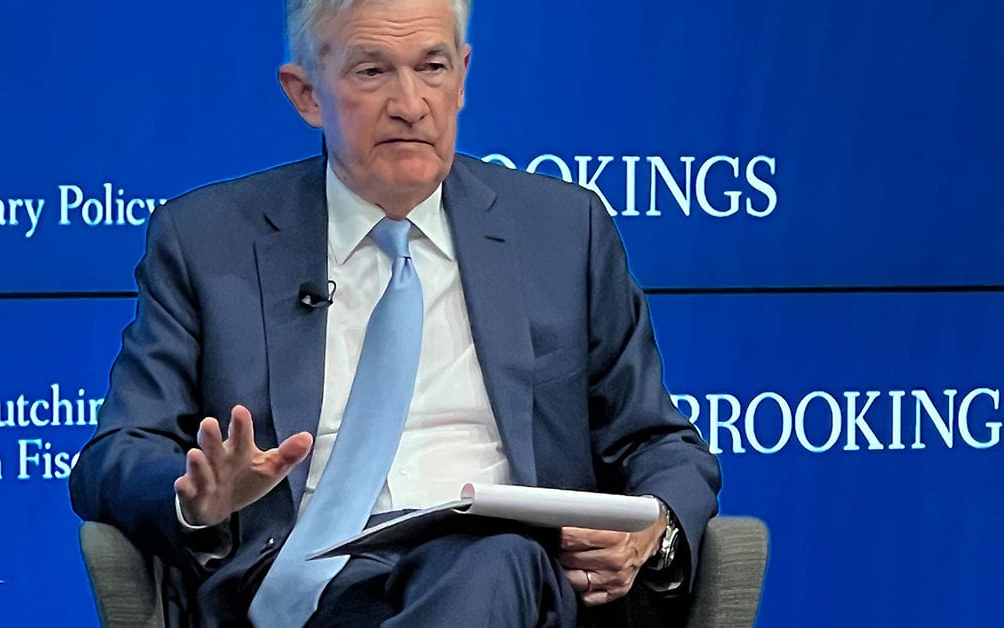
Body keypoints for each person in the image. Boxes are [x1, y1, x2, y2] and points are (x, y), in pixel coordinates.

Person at [69, 0, 720, 626]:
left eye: (432, 68)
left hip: (517, 580)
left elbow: (657, 440)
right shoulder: (208, 241)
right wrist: (197, 494)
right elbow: (116, 453)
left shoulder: (562, 231)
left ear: (462, 77)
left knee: (494, 560)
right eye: (372, 71)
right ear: (306, 93)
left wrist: (654, 527)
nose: (410, 104)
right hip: (310, 593)